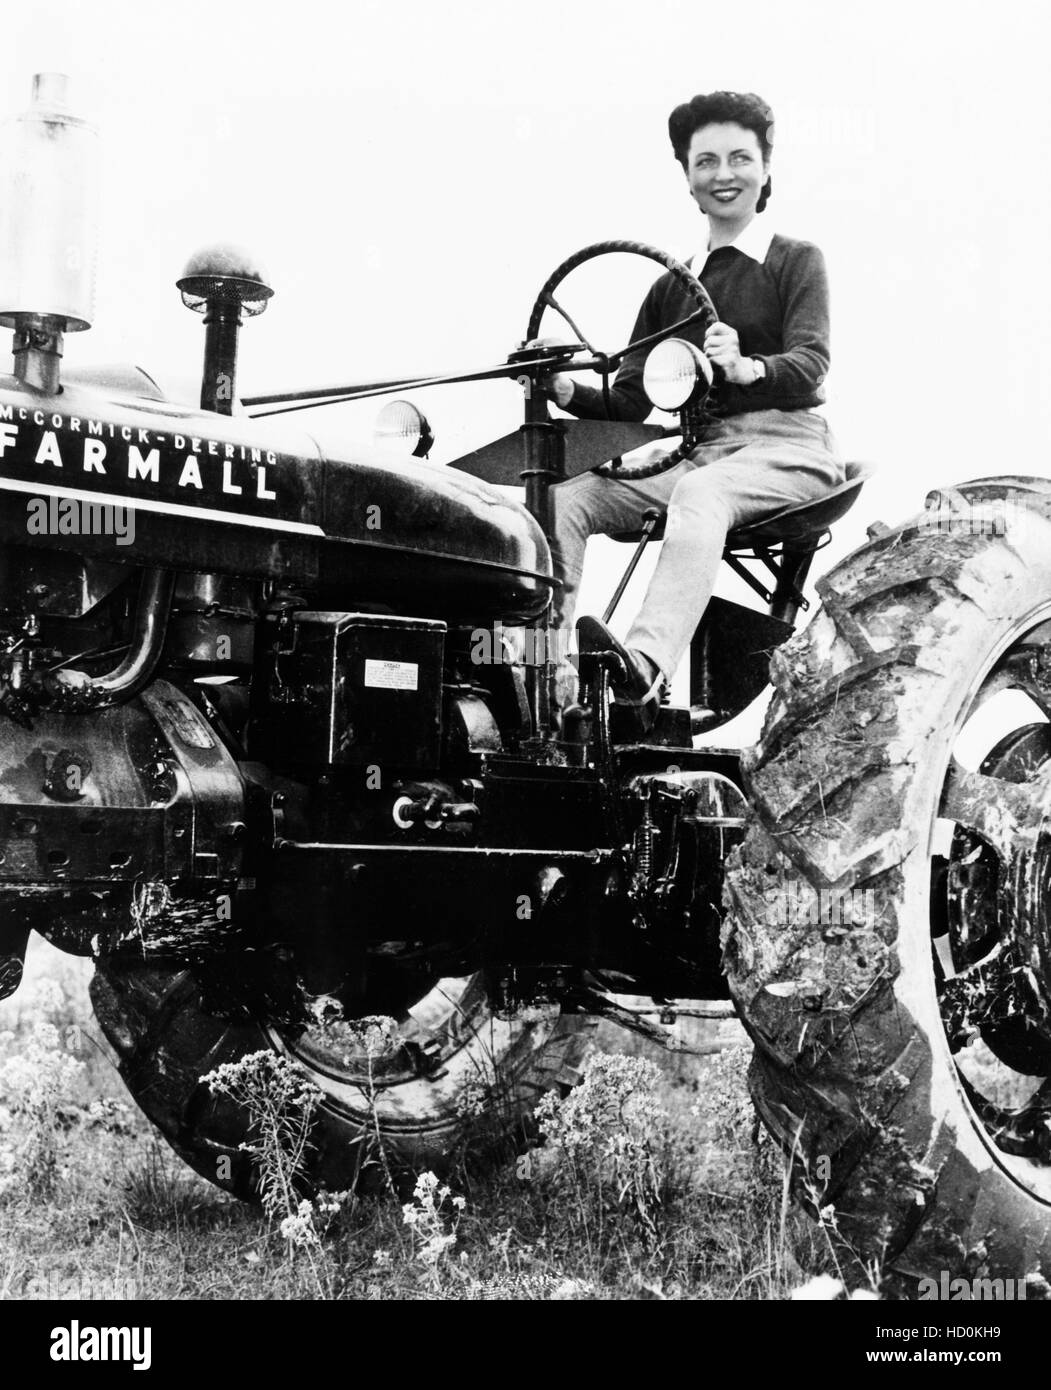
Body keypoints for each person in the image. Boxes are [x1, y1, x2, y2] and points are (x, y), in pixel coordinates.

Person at [545, 90, 845, 729]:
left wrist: (745, 368)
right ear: (687, 178)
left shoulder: (796, 261)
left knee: (702, 494)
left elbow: (812, 366)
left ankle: (640, 672)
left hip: (786, 449)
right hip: (699, 452)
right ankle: (549, 683)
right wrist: (566, 390)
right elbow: (631, 398)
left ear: (766, 168)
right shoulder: (670, 285)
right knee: (564, 498)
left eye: (740, 157)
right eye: (705, 161)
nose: (723, 174)